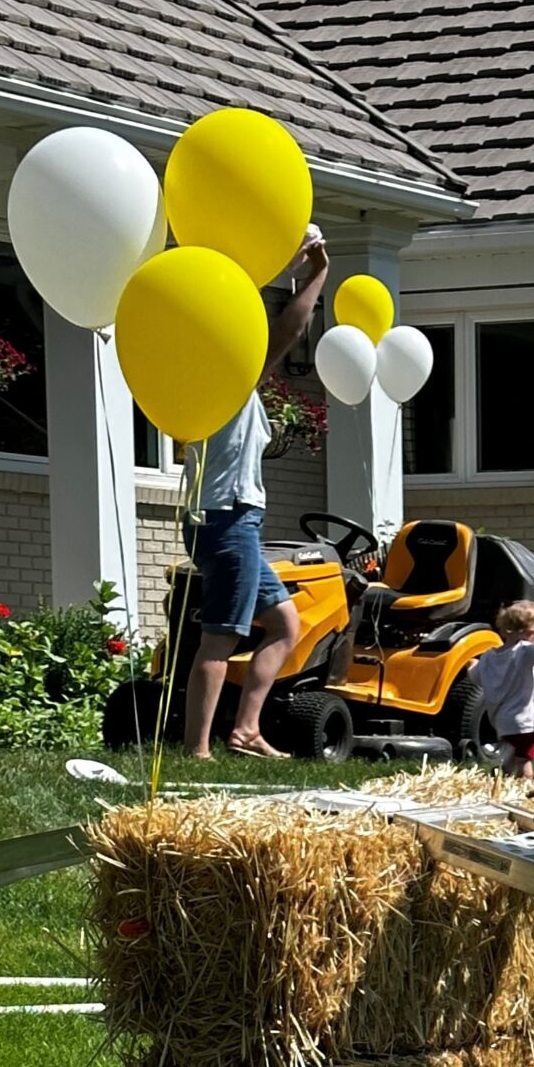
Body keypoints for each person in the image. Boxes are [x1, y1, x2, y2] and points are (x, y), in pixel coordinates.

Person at [180, 233, 329, 760]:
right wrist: (312, 273)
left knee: (286, 624)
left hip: (223, 520)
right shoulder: (225, 384)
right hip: (227, 519)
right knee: (220, 637)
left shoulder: (205, 386)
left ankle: (245, 730)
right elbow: (288, 329)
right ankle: (198, 748)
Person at [467, 600, 534, 777]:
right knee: (525, 760)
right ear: (531, 634)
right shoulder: (524, 651)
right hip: (523, 721)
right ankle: (523, 791)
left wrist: (471, 663)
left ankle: (500, 776)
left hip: (502, 721)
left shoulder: (489, 657)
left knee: (518, 753)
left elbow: (474, 677)